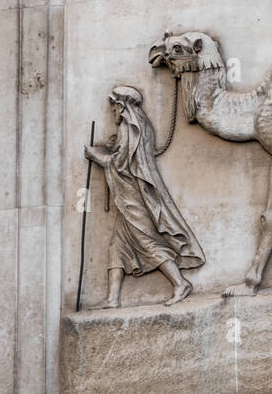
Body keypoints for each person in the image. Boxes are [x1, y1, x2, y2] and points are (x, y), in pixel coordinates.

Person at [84, 86, 203, 307]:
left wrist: (97, 155)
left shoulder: (131, 128)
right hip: (128, 199)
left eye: (114, 108)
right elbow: (128, 158)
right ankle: (112, 298)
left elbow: (120, 165)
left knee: (148, 243)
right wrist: (112, 149)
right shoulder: (138, 126)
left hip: (133, 200)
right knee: (117, 247)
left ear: (121, 106)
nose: (112, 112)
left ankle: (180, 283)